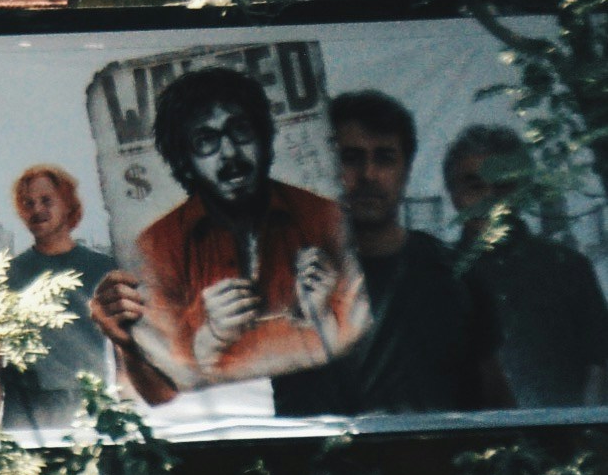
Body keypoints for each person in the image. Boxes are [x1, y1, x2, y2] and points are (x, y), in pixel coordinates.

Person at [86, 65, 366, 397]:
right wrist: (208, 339)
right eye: (206, 141)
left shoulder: (324, 218)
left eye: (241, 131)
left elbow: (365, 363)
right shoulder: (158, 246)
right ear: (184, 158)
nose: (230, 153)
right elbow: (158, 392)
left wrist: (322, 318)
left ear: (264, 138)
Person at [269, 89, 500, 415]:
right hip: (325, 464)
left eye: (385, 158)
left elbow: (498, 411)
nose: (368, 175)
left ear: (406, 171)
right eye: (351, 158)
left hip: (434, 463)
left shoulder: (456, 277)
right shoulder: (286, 282)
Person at [445, 121, 608, 408]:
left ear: (522, 190)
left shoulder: (569, 270)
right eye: (474, 186)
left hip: (560, 443)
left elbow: (603, 368)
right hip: (462, 445)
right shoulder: (434, 276)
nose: (489, 199)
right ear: (453, 193)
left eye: (503, 186)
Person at [0, 164, 116, 433]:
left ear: (68, 205)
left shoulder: (102, 268)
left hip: (87, 407)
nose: (36, 209)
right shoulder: (7, 274)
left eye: (46, 201)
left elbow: (125, 350)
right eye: (28, 203)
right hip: (25, 411)